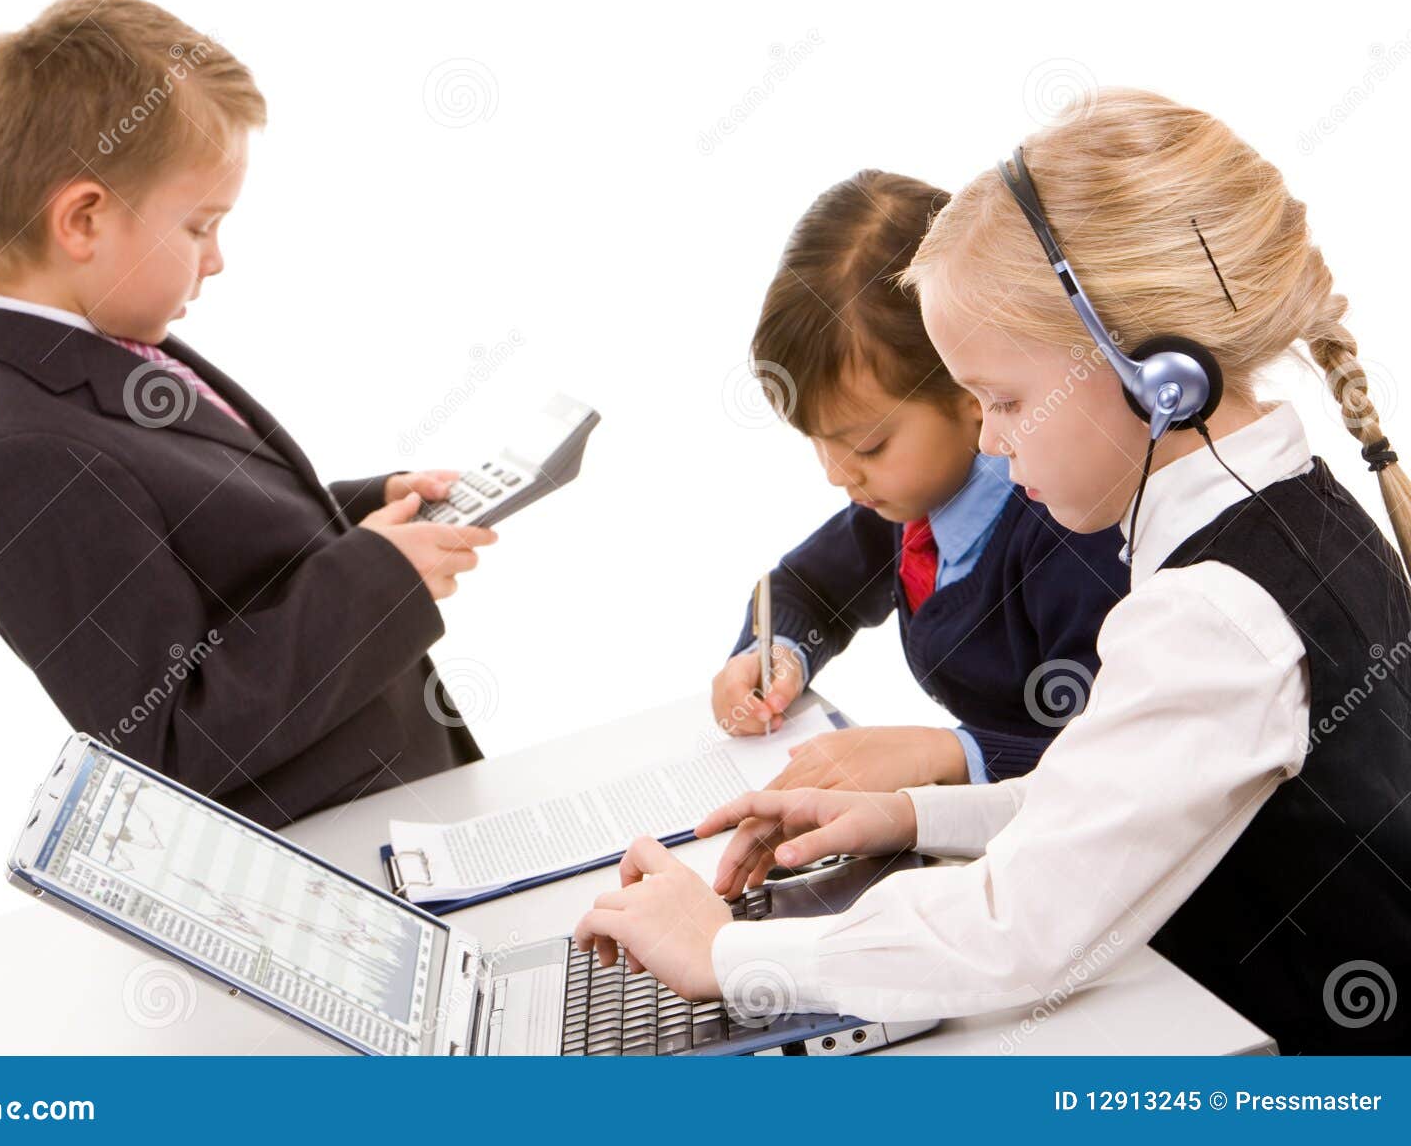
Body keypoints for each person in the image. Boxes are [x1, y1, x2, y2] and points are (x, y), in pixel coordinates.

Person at [577, 89, 1411, 1053]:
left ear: (1157, 377)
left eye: (1005, 398)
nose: (992, 439)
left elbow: (1021, 928)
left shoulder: (1218, 612)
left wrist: (726, 954)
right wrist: (908, 812)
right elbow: (1106, 804)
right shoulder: (1283, 509)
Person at [0, 0, 495, 828]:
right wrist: (378, 580)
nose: (218, 258)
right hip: (332, 863)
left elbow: (203, 543)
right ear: (83, 219)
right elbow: (166, 740)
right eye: (199, 225)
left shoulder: (106, 330)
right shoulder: (20, 457)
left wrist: (361, 512)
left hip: (393, 794)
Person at [712, 170, 1128, 791]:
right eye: (816, 441)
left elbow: (1112, 760)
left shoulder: (1072, 535)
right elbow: (808, 589)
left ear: (971, 385)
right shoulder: (908, 505)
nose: (835, 473)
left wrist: (949, 755)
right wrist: (777, 654)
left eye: (867, 444)